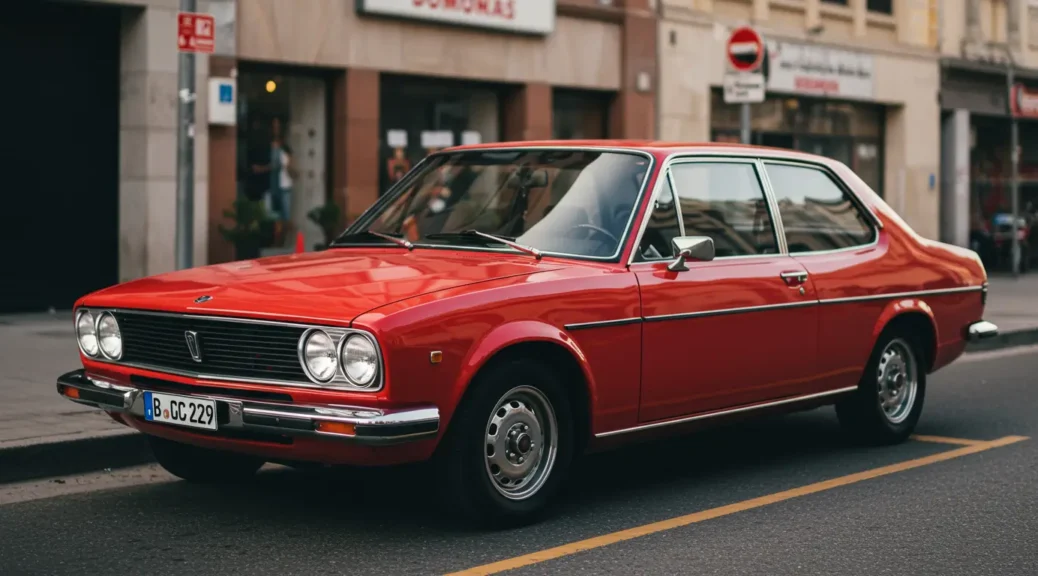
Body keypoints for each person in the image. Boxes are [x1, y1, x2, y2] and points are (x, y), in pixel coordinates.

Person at [252, 117, 295, 242]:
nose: (276, 129)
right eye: (273, 126)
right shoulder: (267, 146)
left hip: (284, 185)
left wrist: (289, 168)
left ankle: (286, 240)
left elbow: (289, 167)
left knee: (285, 216)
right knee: (272, 215)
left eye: (277, 126)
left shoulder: (285, 149)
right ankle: (276, 240)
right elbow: (272, 165)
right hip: (271, 185)